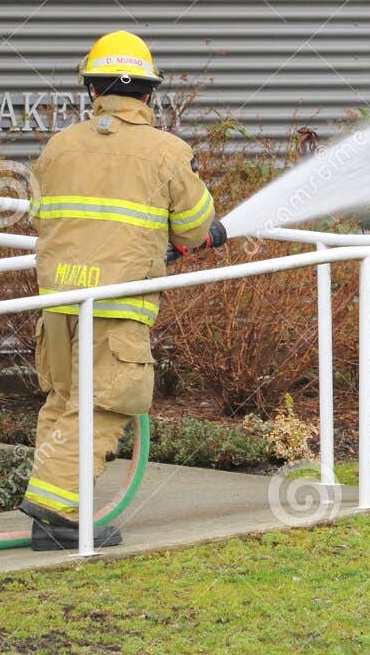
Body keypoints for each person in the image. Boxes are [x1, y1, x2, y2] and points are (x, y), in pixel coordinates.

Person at [19, 30, 226, 550]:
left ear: (94, 92)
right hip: (116, 307)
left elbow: (42, 216)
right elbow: (197, 228)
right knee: (102, 408)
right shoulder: (168, 151)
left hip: (58, 303)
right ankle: (55, 514)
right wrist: (196, 235)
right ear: (148, 95)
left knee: (65, 401)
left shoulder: (58, 147)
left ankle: (50, 511)